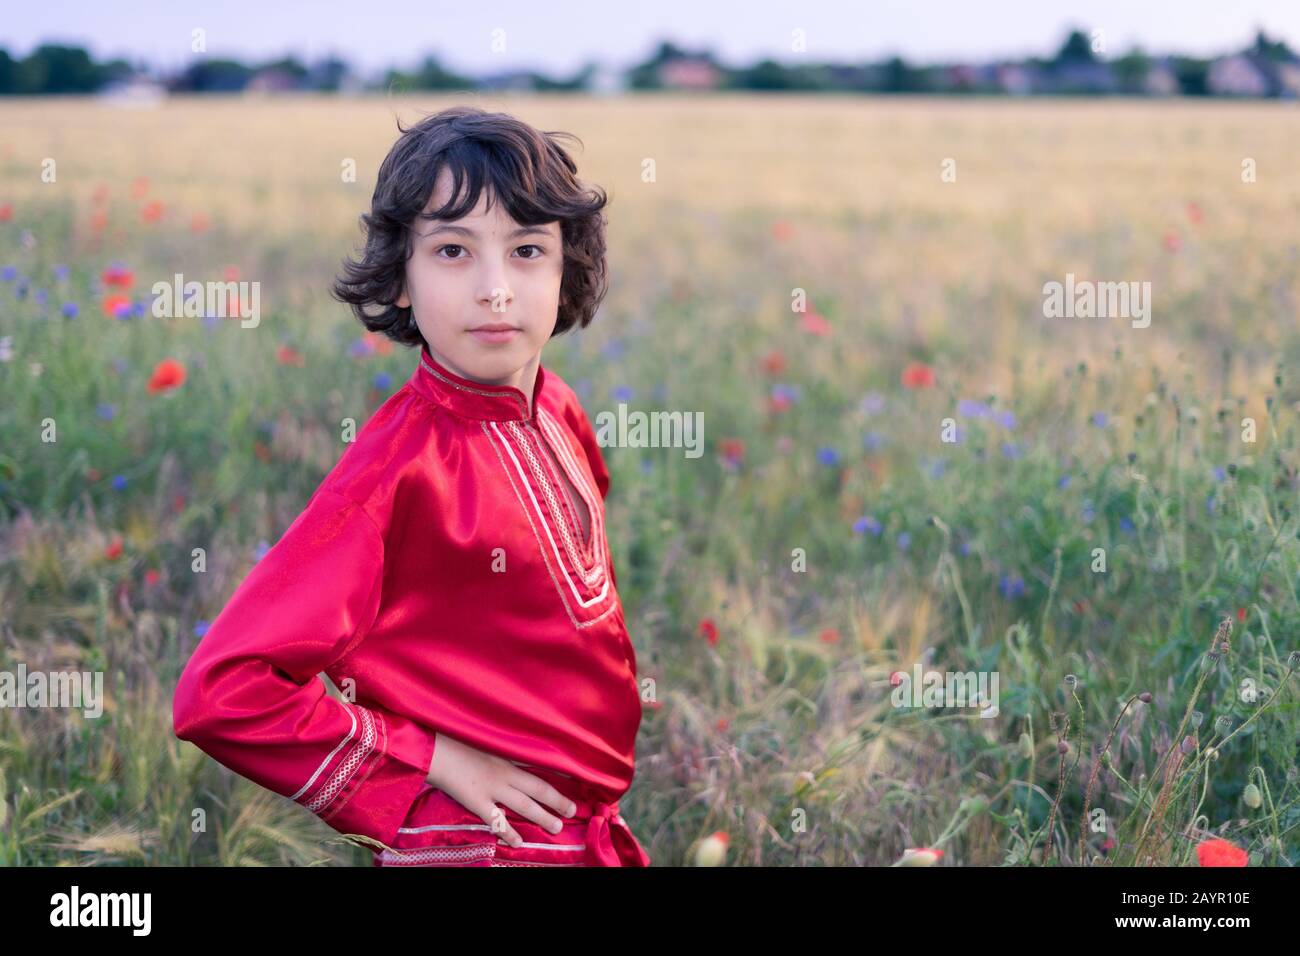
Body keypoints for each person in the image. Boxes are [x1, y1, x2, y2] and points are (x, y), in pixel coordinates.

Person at [172, 106, 650, 867]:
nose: (496, 289)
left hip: (580, 833)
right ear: (400, 279)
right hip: (478, 846)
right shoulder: (395, 473)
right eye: (454, 250)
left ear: (566, 271)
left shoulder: (559, 411)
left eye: (527, 249)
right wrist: (431, 756)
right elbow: (224, 690)